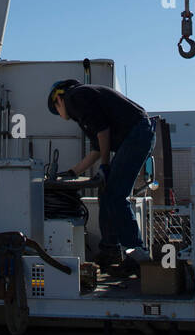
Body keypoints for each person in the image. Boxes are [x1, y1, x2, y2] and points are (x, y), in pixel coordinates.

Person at [48, 79, 154, 272]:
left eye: (56, 109)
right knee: (106, 193)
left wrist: (105, 165)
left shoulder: (75, 98)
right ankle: (110, 250)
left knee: (115, 195)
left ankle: (137, 256)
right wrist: (73, 172)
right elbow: (97, 147)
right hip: (138, 133)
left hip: (137, 134)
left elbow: (104, 132)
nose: (60, 114)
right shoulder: (81, 105)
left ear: (59, 100)